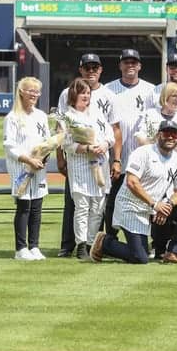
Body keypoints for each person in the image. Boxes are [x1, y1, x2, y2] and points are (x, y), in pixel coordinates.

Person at [90, 120, 177, 265]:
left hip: (156, 207)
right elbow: (131, 182)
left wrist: (168, 204)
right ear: (159, 135)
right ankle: (105, 242)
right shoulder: (142, 153)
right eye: (166, 133)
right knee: (140, 258)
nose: (170, 137)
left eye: (174, 134)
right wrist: (155, 204)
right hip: (132, 206)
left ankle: (174, 253)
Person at [57, 53, 120, 257]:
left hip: (100, 164)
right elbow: (65, 142)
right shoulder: (68, 116)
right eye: (82, 94)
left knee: (98, 206)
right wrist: (86, 149)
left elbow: (110, 134)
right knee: (82, 206)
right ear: (73, 96)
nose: (85, 96)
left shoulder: (97, 113)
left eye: (87, 94)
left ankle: (94, 243)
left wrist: (103, 144)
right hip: (80, 165)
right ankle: (81, 244)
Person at [103, 49, 155, 240]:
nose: (130, 65)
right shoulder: (108, 89)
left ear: (140, 65)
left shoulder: (151, 90)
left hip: (142, 154)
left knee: (144, 199)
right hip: (117, 153)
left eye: (134, 62)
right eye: (126, 62)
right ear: (120, 65)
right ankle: (110, 238)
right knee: (112, 200)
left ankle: (144, 238)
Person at [4, 77, 51, 260]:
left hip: (39, 168)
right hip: (21, 167)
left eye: (36, 91)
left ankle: (34, 246)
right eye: (30, 90)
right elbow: (10, 146)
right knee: (24, 206)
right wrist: (28, 160)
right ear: (21, 92)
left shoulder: (41, 115)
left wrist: (44, 158)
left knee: (37, 207)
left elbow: (47, 141)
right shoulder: (13, 117)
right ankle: (21, 249)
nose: (34, 94)